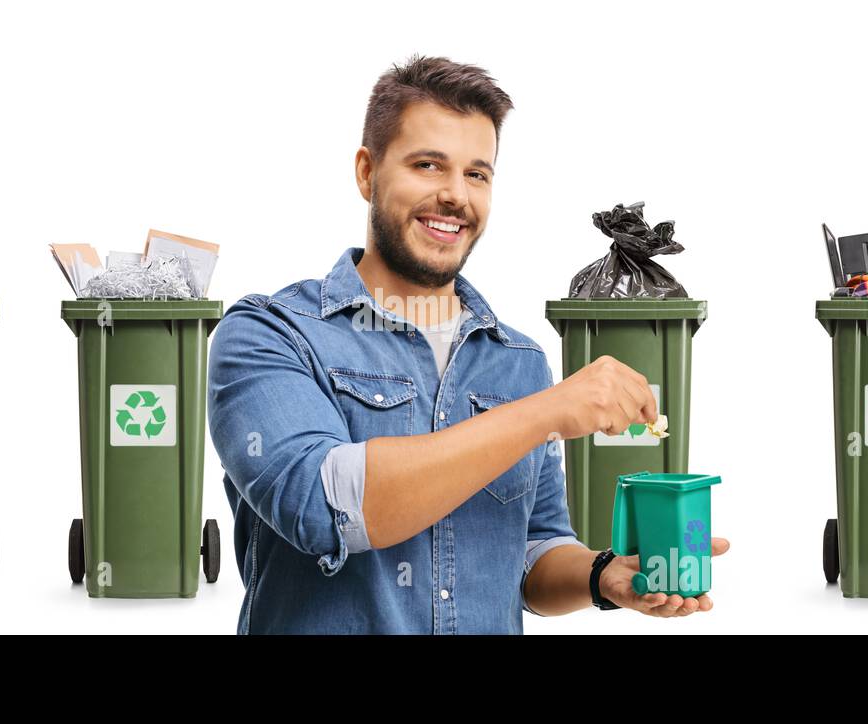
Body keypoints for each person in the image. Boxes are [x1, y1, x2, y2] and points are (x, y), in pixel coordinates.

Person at [207, 55, 728, 634]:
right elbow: (320, 507)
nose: (456, 196)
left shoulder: (518, 362)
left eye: (477, 174)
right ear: (366, 172)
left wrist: (601, 576)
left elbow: (534, 549)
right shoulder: (269, 333)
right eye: (429, 165)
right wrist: (545, 412)